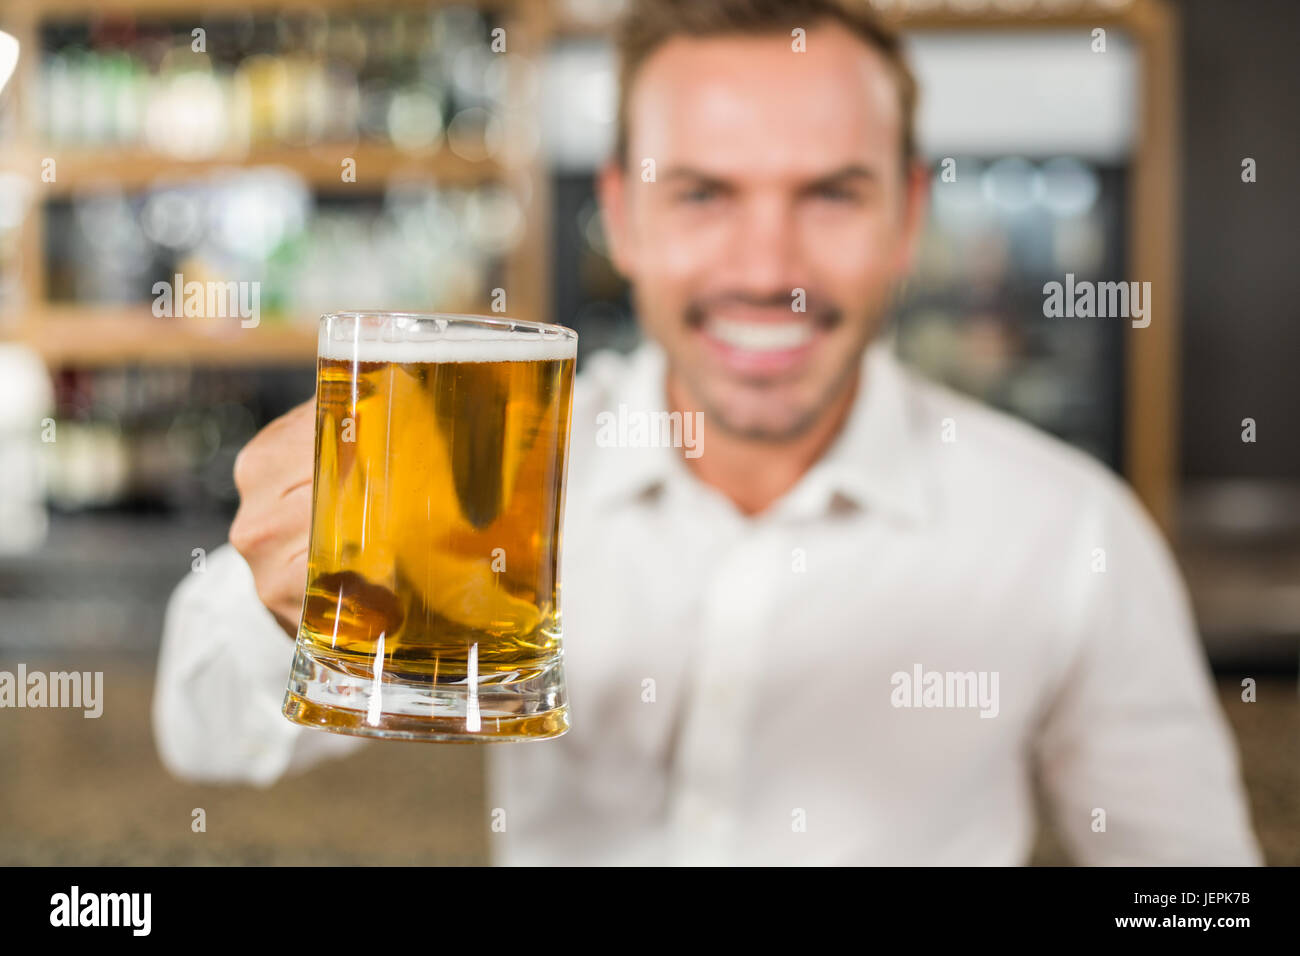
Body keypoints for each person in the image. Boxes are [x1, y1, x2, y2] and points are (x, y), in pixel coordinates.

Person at [152, 0, 1261, 865]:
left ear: (906, 218)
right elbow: (201, 733)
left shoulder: (1069, 529)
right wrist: (283, 596)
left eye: (829, 192)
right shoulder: (483, 468)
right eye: (702, 193)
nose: (767, 267)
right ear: (623, 216)